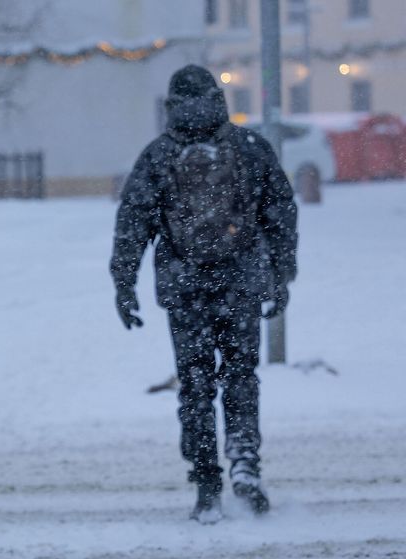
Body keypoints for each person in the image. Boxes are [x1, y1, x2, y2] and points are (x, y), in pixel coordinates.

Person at [110, 65, 298, 524]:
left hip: (185, 284)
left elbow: (133, 222)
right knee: (240, 376)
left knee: (195, 384)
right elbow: (280, 213)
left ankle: (206, 482)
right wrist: (282, 274)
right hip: (241, 282)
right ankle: (245, 463)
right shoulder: (251, 149)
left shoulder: (158, 156)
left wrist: (124, 282)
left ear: (171, 104)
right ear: (219, 98)